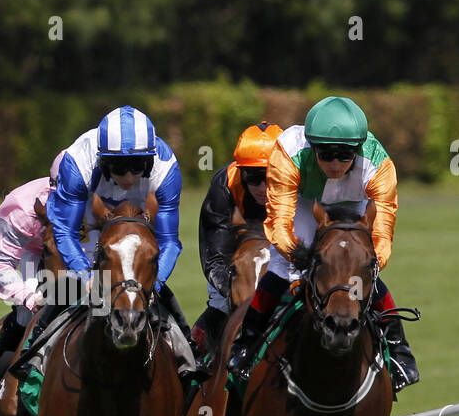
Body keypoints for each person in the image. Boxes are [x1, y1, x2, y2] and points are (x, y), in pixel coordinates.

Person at [227, 96, 419, 393]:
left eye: (344, 156)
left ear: (358, 150)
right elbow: (280, 224)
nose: (334, 163)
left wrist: (366, 265)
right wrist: (302, 262)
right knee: (279, 267)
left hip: (355, 203)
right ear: (311, 147)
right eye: (325, 155)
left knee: (361, 269)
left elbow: (381, 237)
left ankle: (400, 349)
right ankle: (246, 343)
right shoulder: (288, 154)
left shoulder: (379, 166)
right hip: (305, 200)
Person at [23, 106, 198, 377]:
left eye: (137, 166)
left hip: (136, 226)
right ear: (103, 161)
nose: (129, 177)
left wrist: (155, 283)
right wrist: (85, 275)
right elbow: (65, 233)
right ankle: (31, 356)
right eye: (119, 167)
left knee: (152, 290)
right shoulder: (78, 162)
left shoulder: (166, 168)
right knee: (63, 291)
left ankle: (189, 359)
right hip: (85, 222)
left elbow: (169, 242)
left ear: (149, 162)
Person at [194, 122, 282, 352]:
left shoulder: (300, 183)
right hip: (237, 260)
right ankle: (192, 372)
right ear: (240, 172)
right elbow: (215, 256)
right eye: (253, 177)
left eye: (270, 177)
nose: (262, 187)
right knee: (217, 311)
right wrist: (233, 293)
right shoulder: (224, 185)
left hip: (284, 256)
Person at [0, 150, 65, 368]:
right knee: (30, 311)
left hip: (87, 255)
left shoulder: (105, 199)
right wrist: (28, 297)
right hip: (37, 253)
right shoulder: (22, 206)